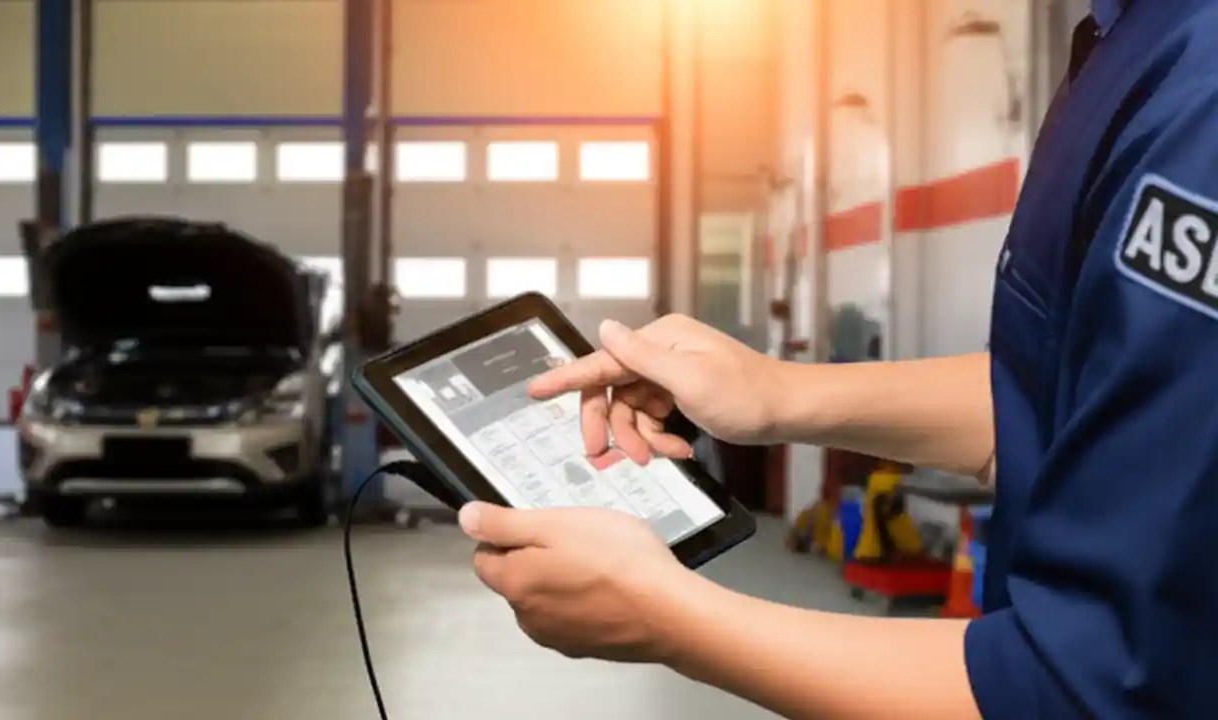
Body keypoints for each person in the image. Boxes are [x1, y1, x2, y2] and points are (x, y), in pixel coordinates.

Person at [457, 1, 1218, 716]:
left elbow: (1090, 687)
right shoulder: (1129, 39)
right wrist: (775, 393)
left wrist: (666, 616)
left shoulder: (1198, 86)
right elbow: (1060, 398)